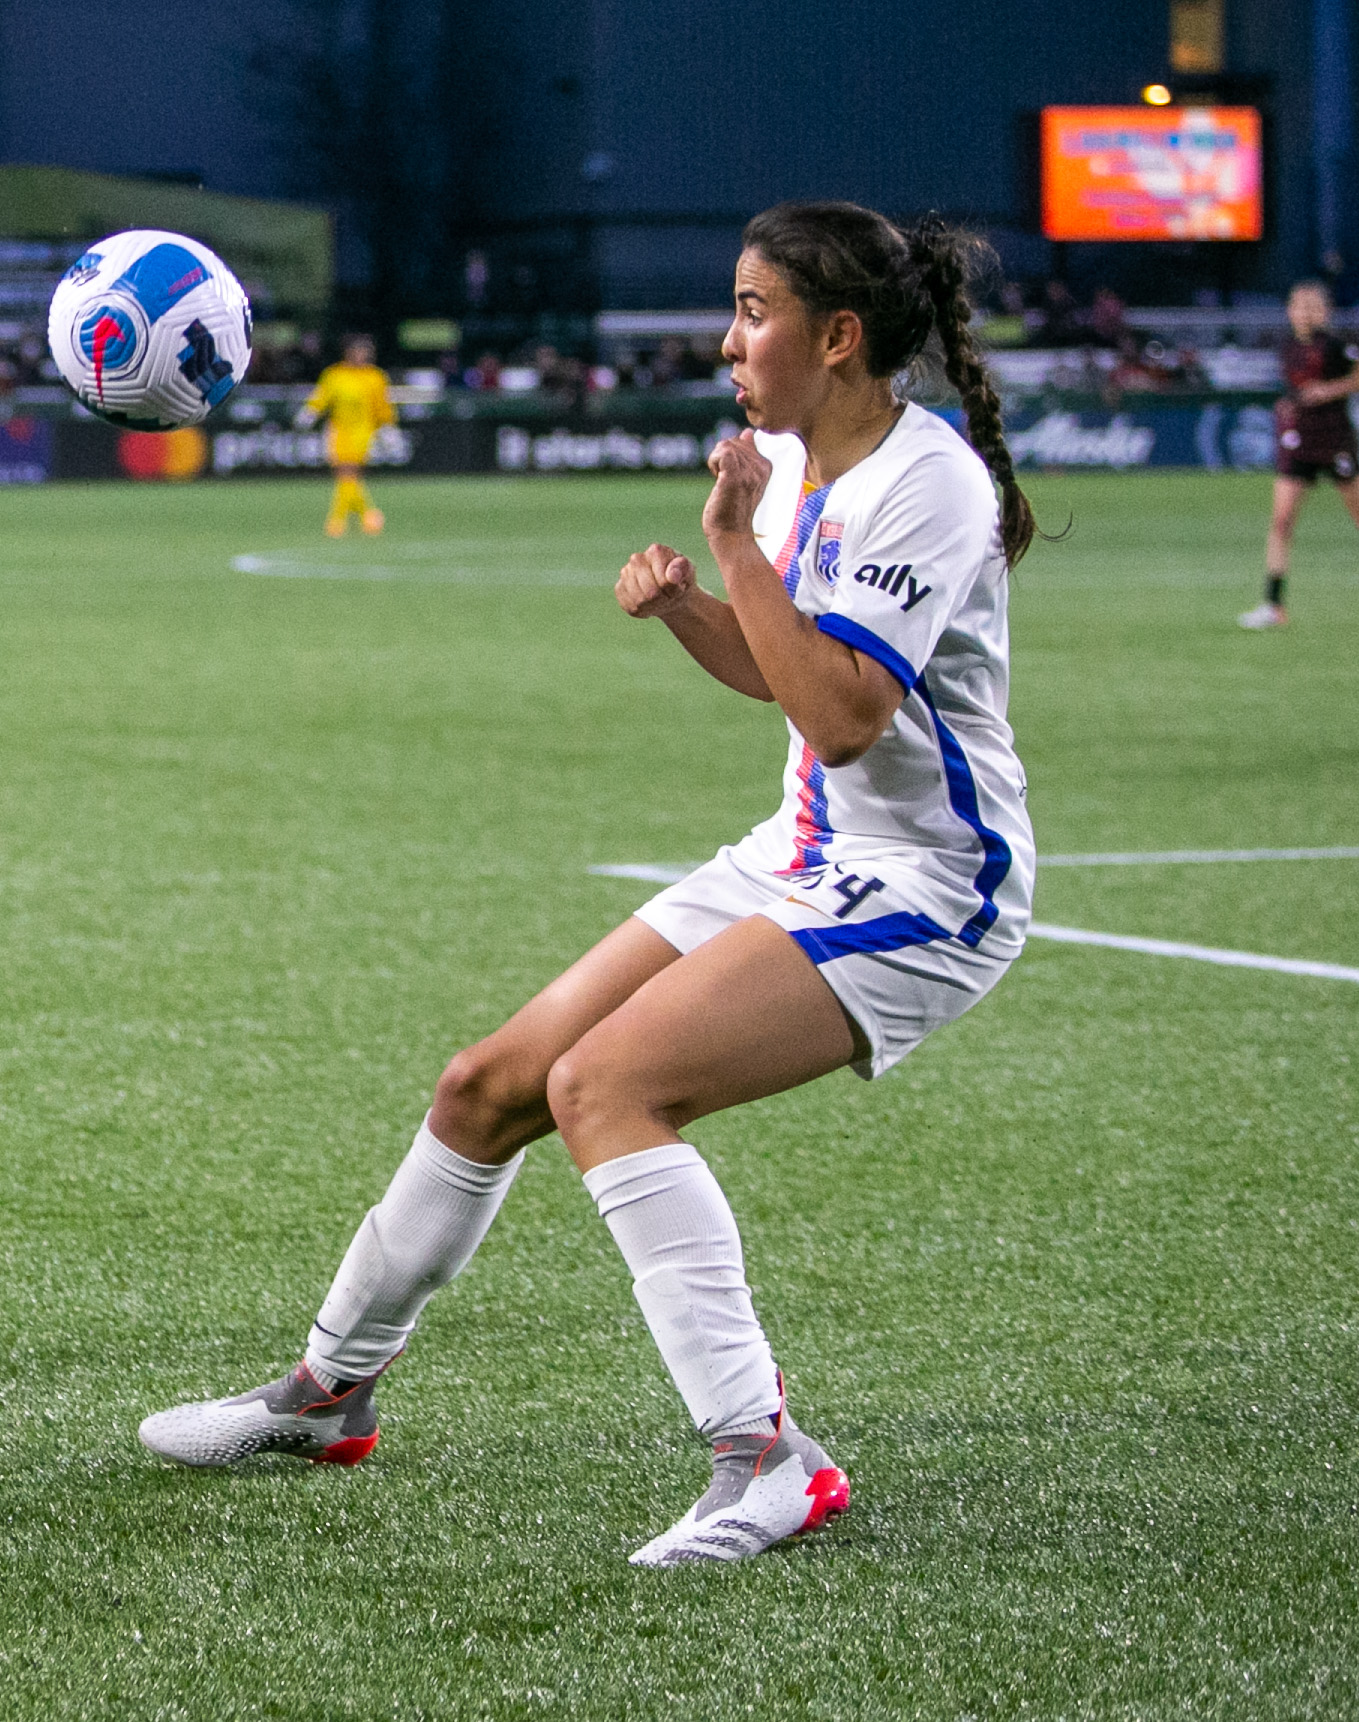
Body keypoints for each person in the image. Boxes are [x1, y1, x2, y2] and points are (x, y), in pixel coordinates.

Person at [141, 202, 1039, 1569]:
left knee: (603, 1087)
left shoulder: (926, 481)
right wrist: (694, 604)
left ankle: (764, 1456)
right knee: (487, 1083)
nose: (726, 337)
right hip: (800, 852)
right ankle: (326, 1392)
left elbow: (847, 712)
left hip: (926, 881)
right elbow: (791, 676)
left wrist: (732, 543)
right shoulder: (800, 463)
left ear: (838, 335)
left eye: (751, 309)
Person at [1242, 279, 1359, 630]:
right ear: (1289, 310)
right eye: (1298, 306)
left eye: (1312, 307)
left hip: (1336, 441)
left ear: (1324, 311)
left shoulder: (1338, 344)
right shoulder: (1287, 346)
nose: (1304, 313)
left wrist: (1331, 390)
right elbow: (1296, 389)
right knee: (1282, 521)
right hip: (1300, 442)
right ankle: (1274, 607)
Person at [297, 334, 395, 536]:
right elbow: (322, 397)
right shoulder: (335, 374)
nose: (362, 355)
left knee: (349, 472)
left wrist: (387, 427)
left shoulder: (375, 377)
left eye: (365, 352)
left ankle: (338, 519)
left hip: (363, 431)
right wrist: (310, 412)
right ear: (348, 353)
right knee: (346, 474)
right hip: (338, 431)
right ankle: (367, 514)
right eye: (358, 351)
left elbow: (381, 406)